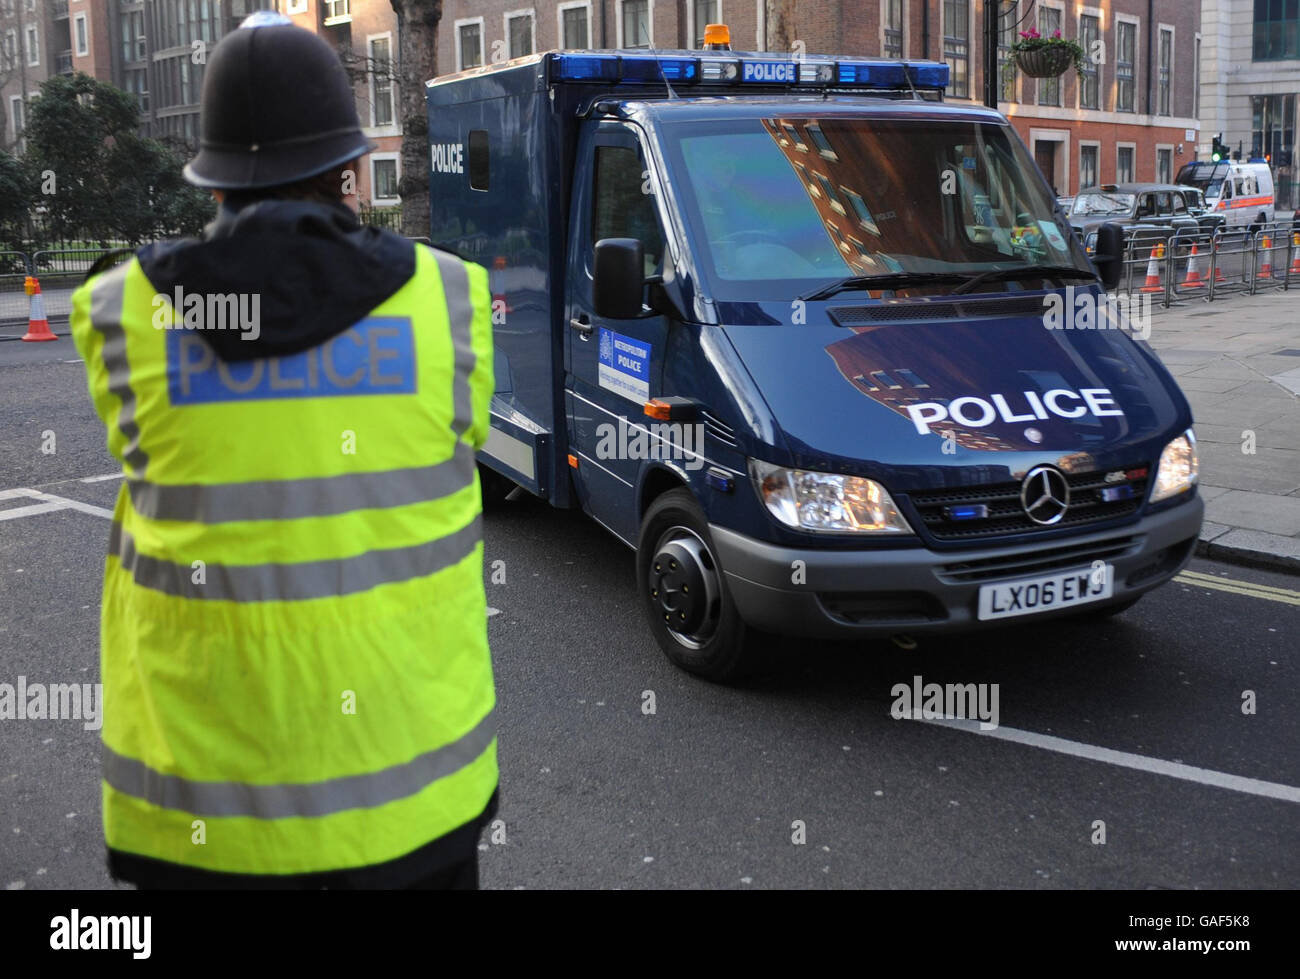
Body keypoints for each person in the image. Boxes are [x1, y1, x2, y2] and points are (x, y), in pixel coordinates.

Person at [69, 12, 498, 889]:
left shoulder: (122, 315)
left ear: (211, 177)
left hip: (204, 828)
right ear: (348, 168)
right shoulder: (451, 305)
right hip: (416, 807)